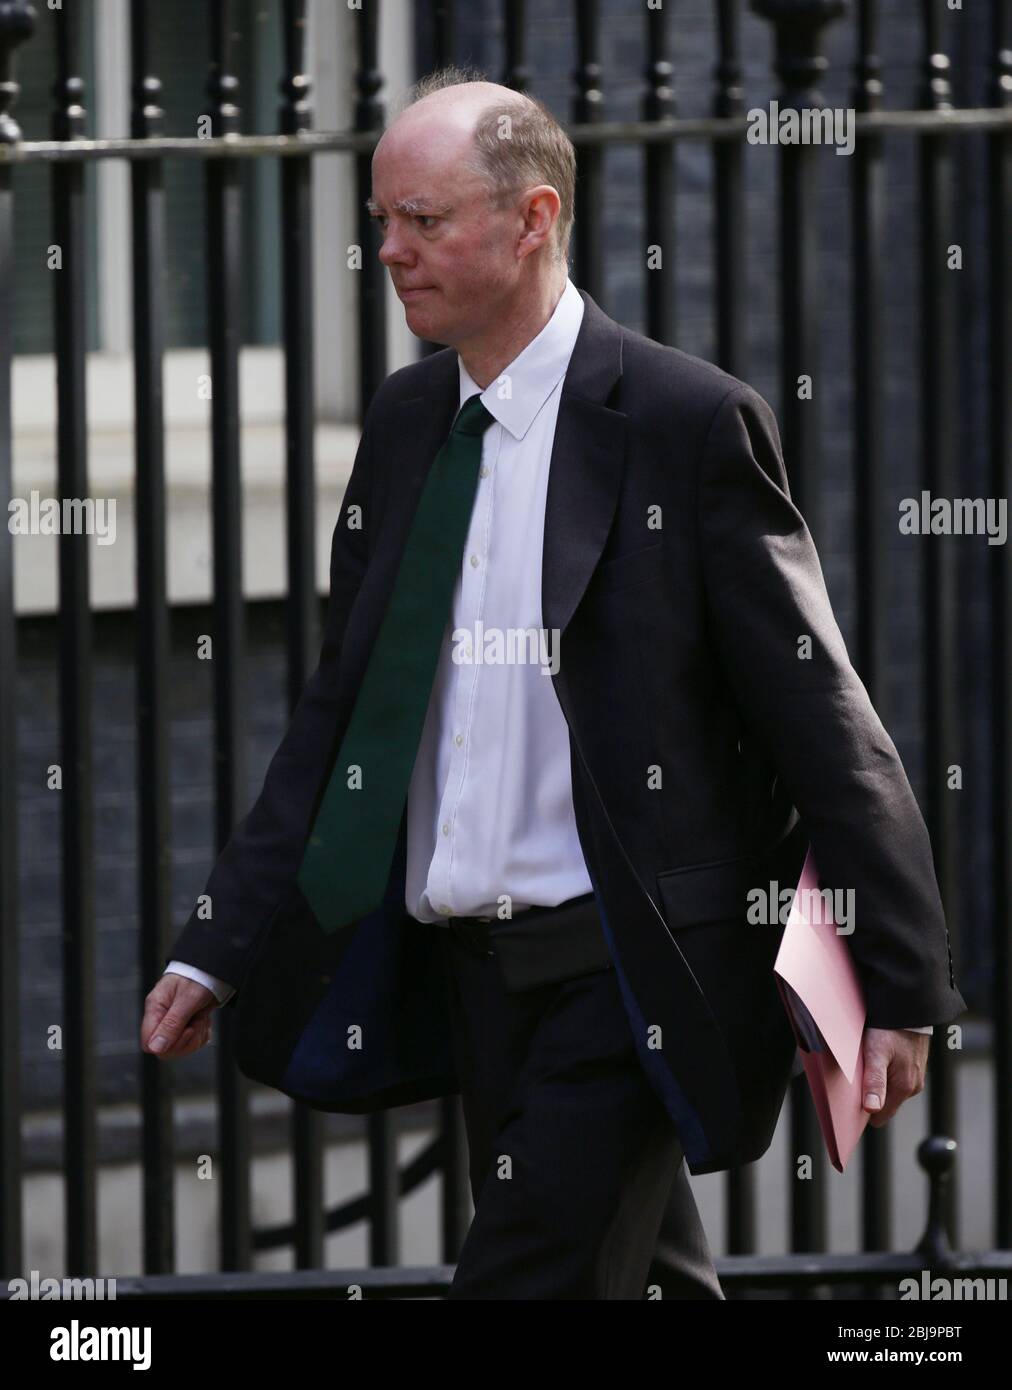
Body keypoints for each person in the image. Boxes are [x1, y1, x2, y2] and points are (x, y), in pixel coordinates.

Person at [140, 69, 966, 1300]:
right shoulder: (409, 425)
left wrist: (898, 981)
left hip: (628, 976)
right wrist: (219, 944)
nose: (390, 252)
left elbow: (824, 720)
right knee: (634, 1278)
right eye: (383, 222)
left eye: (424, 221)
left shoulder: (687, 425)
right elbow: (343, 714)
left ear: (531, 220)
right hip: (473, 977)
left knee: (524, 1279)